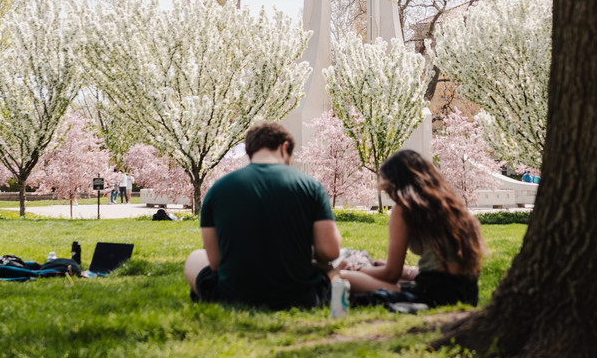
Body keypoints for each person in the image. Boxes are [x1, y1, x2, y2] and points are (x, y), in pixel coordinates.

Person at [184, 121, 341, 310]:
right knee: (334, 271)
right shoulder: (311, 186)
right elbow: (329, 251)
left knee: (196, 257)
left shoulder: (217, 190)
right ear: (284, 148)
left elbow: (216, 262)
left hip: (233, 297)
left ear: (249, 152)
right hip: (301, 297)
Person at [340, 149, 486, 307]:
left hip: (433, 295)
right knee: (393, 279)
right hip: (468, 293)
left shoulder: (404, 209)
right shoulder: (450, 205)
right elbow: (444, 273)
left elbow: (391, 274)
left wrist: (358, 269)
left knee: (342, 277)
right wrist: (404, 271)